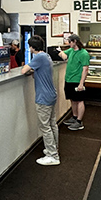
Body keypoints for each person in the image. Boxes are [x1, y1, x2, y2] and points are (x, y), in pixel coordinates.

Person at [21, 35, 60, 166]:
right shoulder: (46, 56)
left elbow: (23, 71)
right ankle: (53, 149)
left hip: (43, 97)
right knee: (52, 124)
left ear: (31, 47)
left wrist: (30, 69)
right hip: (51, 94)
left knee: (45, 126)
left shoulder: (38, 57)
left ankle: (52, 155)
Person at [57, 34, 90, 131]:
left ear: (75, 41)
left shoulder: (84, 53)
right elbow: (63, 55)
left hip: (77, 80)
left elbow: (85, 69)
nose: (68, 43)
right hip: (69, 80)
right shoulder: (71, 50)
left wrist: (81, 83)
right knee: (72, 99)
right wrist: (59, 51)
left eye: (70, 42)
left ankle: (79, 121)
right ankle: (74, 117)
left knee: (79, 100)